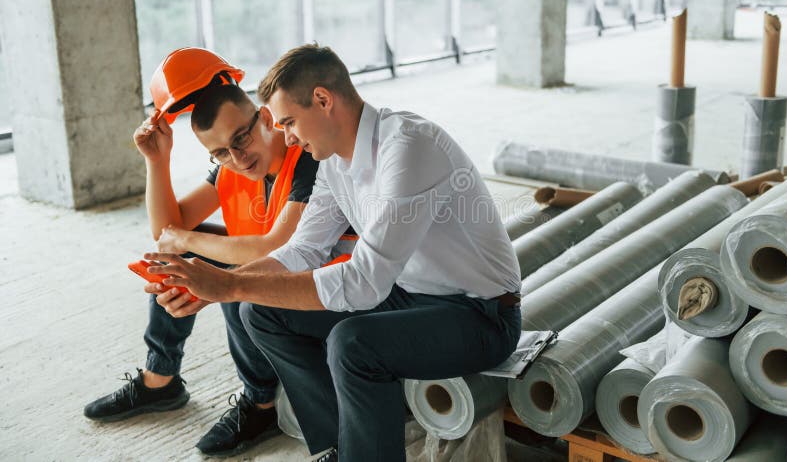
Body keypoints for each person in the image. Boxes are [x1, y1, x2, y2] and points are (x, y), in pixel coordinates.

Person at [144, 44, 521, 462]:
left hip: (480, 314)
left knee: (352, 342)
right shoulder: (332, 162)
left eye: (288, 122)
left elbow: (364, 283)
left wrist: (230, 284)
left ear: (323, 100)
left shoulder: (408, 147)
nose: (286, 137)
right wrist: (221, 288)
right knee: (259, 312)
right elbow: (302, 250)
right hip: (409, 294)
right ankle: (337, 449)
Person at [84, 48, 353, 457]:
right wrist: (158, 161)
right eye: (220, 153)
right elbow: (164, 232)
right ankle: (161, 378)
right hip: (273, 271)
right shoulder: (232, 165)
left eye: (241, 139)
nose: (237, 159)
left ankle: (260, 401)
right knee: (170, 261)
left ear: (265, 119)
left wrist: (191, 247)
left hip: (323, 288)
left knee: (230, 272)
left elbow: (277, 246)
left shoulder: (308, 155)